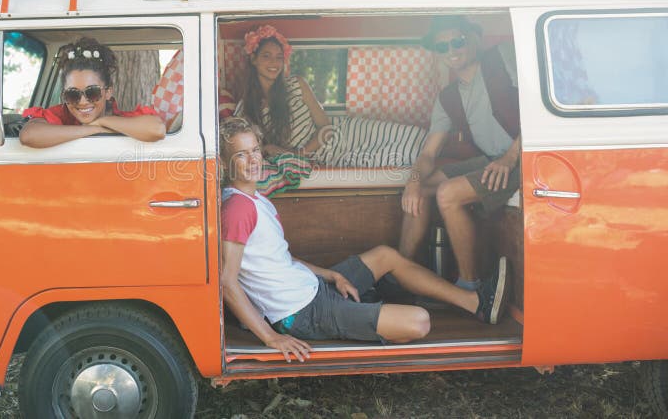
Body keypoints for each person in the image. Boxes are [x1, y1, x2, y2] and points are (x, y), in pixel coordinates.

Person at [219, 117, 511, 362]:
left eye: (255, 150)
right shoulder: (238, 208)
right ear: (224, 163)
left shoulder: (256, 199)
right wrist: (271, 338)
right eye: (241, 155)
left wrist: (331, 275)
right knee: (419, 322)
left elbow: (280, 259)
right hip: (305, 313)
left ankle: (474, 302)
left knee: (386, 255)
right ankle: (361, 315)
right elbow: (228, 282)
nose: (253, 160)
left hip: (313, 287)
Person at [399, 16, 520, 292]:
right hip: (492, 160)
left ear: (474, 39)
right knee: (421, 188)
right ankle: (402, 274)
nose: (451, 51)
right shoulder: (448, 97)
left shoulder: (503, 57)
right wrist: (413, 182)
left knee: (448, 193)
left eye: (458, 41)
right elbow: (428, 154)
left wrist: (510, 158)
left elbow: (538, 110)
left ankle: (470, 288)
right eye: (442, 47)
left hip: (527, 156)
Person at [235, 25, 426, 168]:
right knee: (404, 156)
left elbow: (326, 127)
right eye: (266, 56)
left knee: (415, 137)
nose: (274, 63)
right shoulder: (246, 109)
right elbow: (250, 149)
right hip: (335, 155)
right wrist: (280, 152)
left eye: (279, 57)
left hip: (346, 133)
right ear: (253, 59)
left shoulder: (297, 84)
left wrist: (298, 154)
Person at [19, 37, 166, 148]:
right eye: (73, 94)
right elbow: (29, 135)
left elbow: (156, 129)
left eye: (92, 92)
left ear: (108, 92)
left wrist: (103, 121)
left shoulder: (121, 119)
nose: (82, 102)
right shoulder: (60, 116)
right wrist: (94, 129)